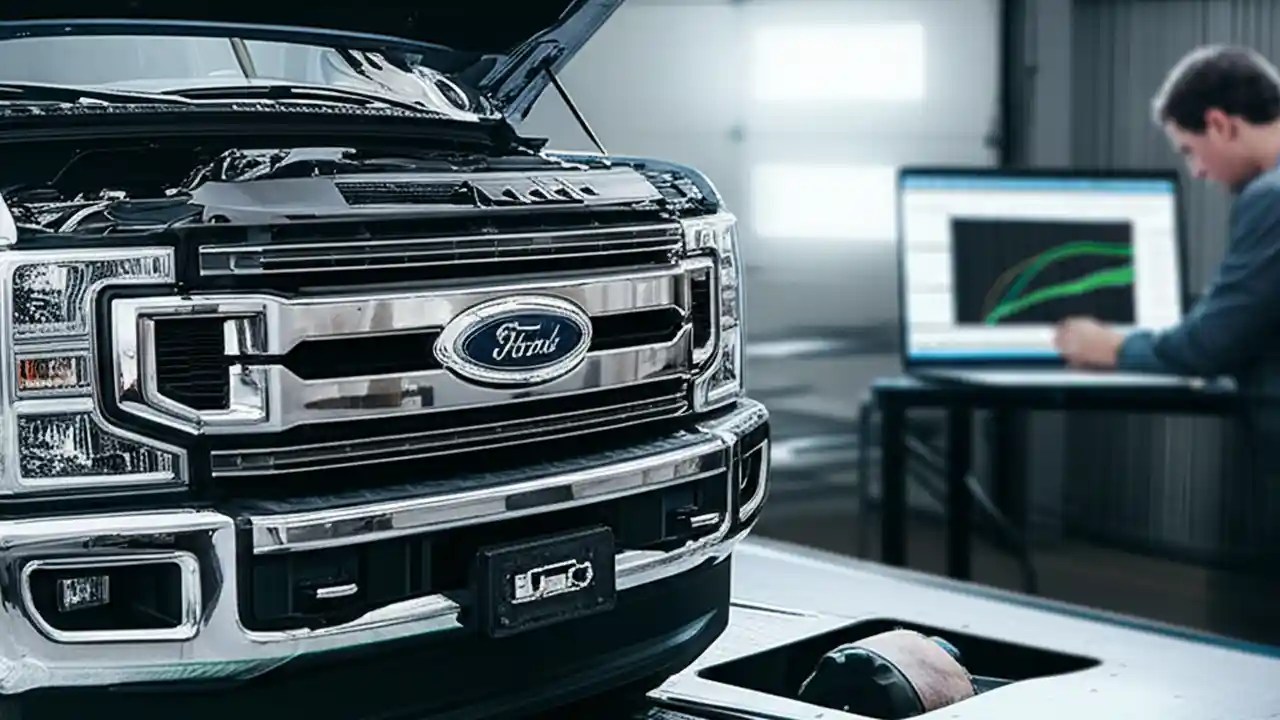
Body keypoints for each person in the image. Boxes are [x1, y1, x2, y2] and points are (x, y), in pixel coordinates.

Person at [1053, 44, 1280, 387]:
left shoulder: (1270, 198)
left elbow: (1210, 345)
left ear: (1220, 125)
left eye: (1190, 151)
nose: (1198, 172)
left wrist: (1115, 348)